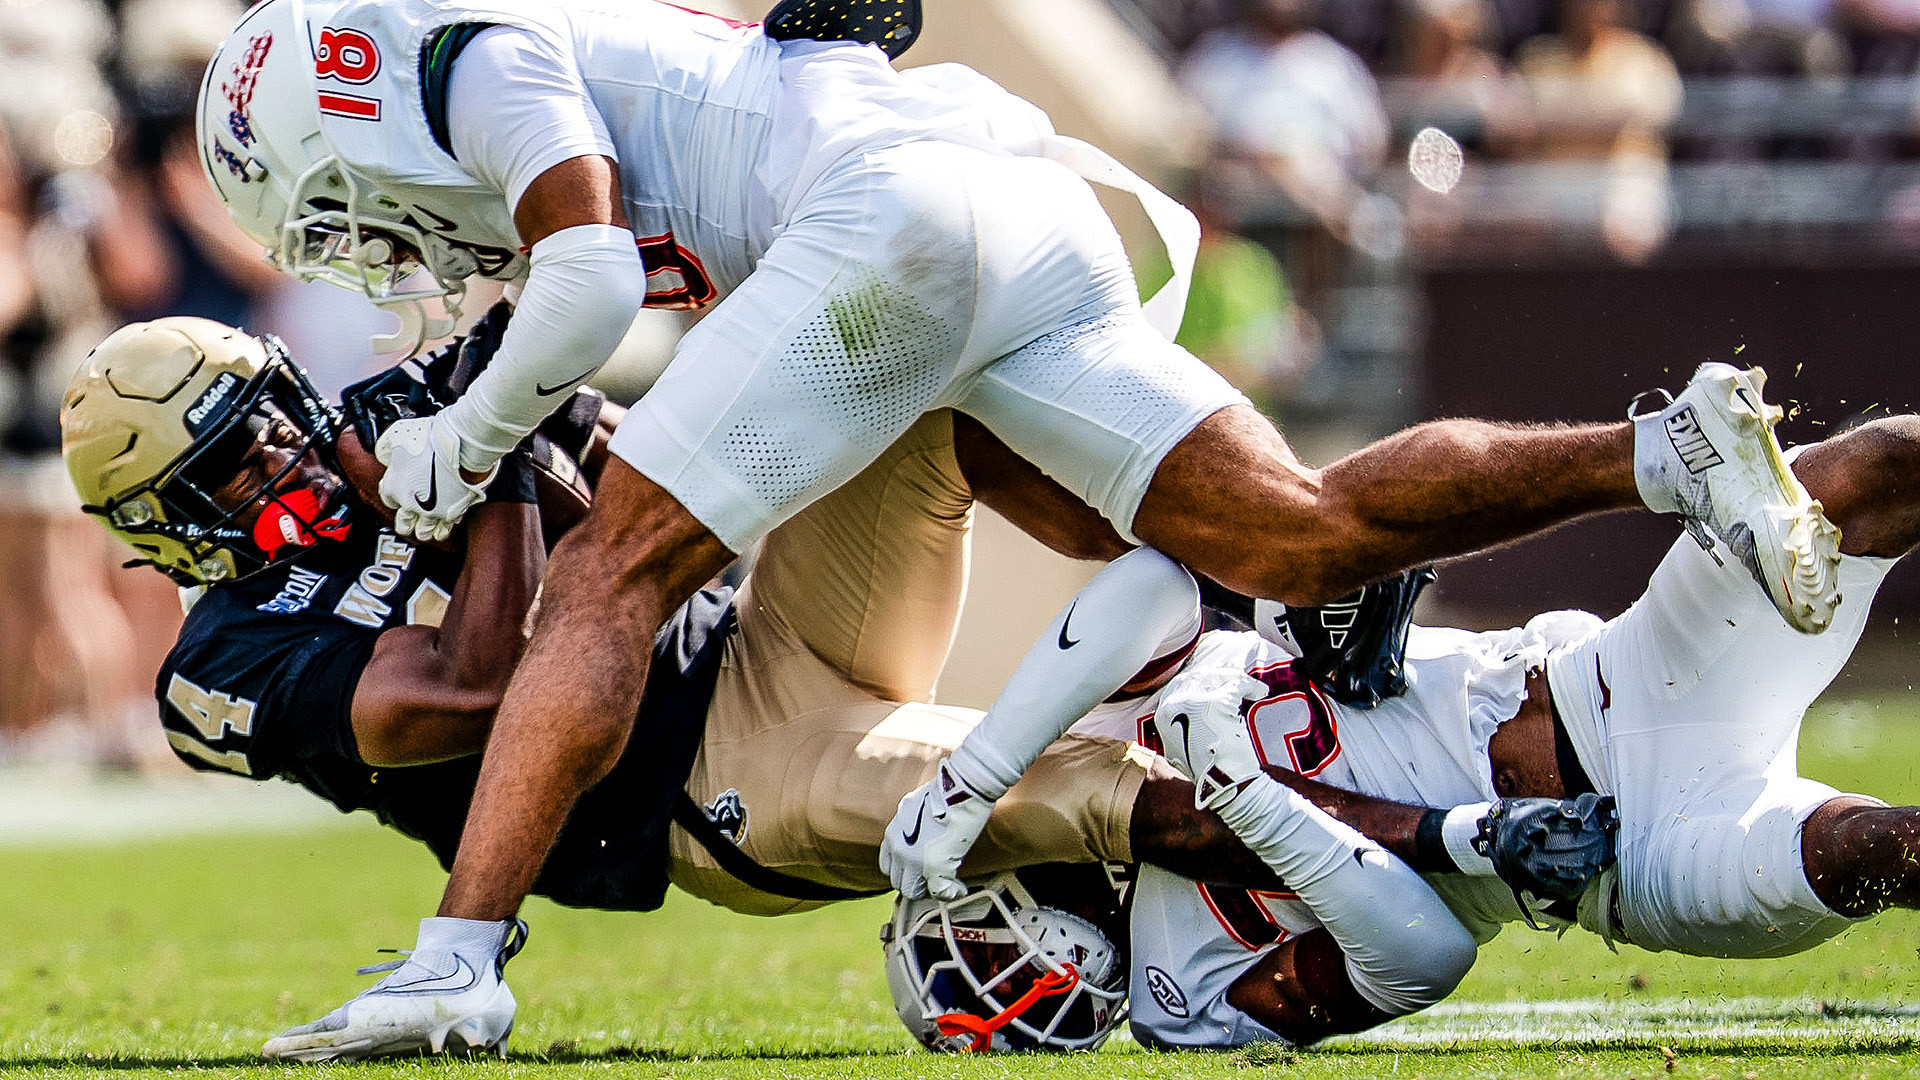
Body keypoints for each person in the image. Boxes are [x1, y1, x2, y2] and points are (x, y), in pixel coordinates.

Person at [193, 0, 1841, 1053]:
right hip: (1020, 205)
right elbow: (798, 56)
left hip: (892, 222)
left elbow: (591, 278)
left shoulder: (469, 52)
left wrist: (464, 438)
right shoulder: (578, 47)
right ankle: (1663, 450)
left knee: (610, 576)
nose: (365, 252)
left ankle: (459, 957)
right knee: (1301, 529)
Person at [62, 315, 1595, 1059]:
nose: (283, 462)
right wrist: (496, 470)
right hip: (713, 798)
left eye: (272, 422)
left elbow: (626, 522)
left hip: (759, 639)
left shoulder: (391, 451)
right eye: (235, 464)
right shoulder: (226, 660)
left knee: (928, 372)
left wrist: (556, 419)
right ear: (175, 521)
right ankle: (1455, 848)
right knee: (1082, 797)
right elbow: (468, 697)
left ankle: (1236, 563)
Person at [890, 410, 1920, 1051]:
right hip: (1629, 857)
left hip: (1609, 676)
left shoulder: (1099, 721)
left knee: (1865, 474)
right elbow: (1416, 960)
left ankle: (1679, 448)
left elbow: (1157, 580)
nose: (976, 961)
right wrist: (1260, 803)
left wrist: (982, 770)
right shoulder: (1178, 1006)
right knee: (1871, 848)